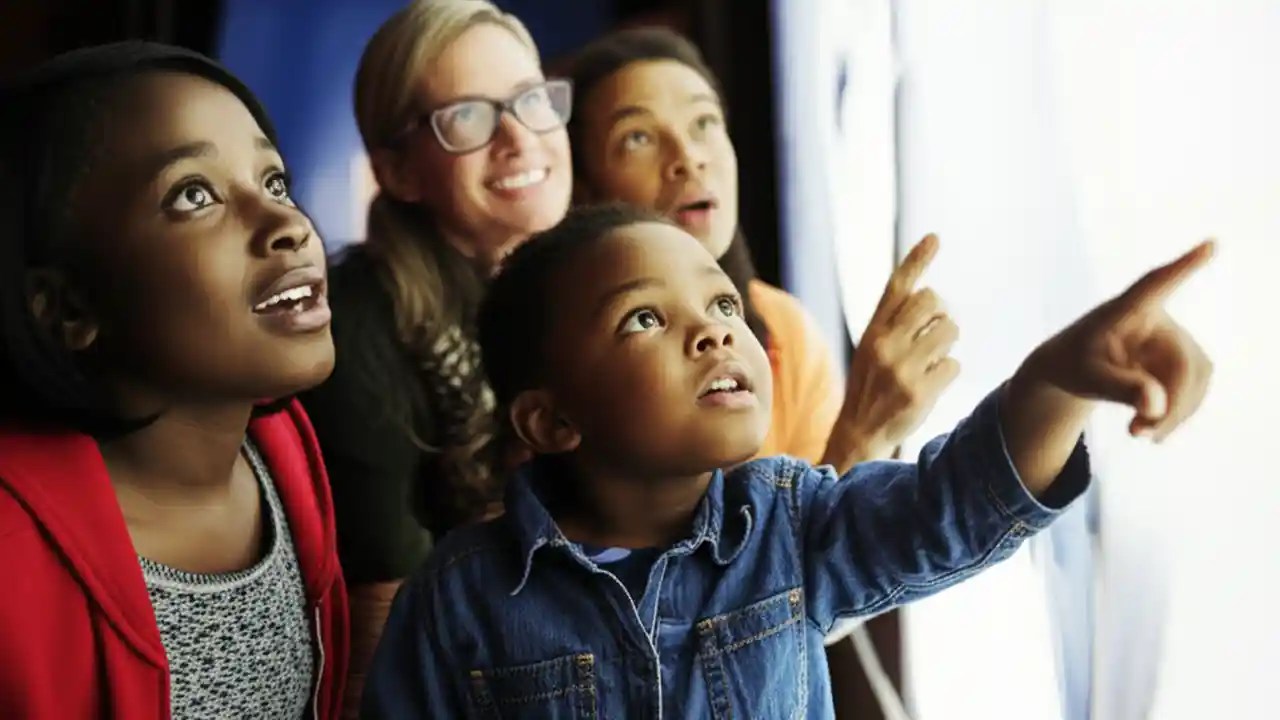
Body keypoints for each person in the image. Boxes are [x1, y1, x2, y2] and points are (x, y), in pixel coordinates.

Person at [361, 204, 1214, 718]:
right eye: (643, 320)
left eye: (721, 302)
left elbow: (956, 510)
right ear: (551, 421)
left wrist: (1059, 378)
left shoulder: (789, 519)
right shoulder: (460, 596)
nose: (715, 330)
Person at [564, 26, 944, 712]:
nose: (689, 158)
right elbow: (664, 640)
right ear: (586, 191)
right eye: (639, 139)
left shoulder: (782, 328)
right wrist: (862, 433)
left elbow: (828, 610)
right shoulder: (571, 366)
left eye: (705, 123)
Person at [0, 43, 348, 719]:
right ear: (69, 306)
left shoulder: (283, 449)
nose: (288, 226)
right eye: (194, 195)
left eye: (275, 183)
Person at [295, 1, 573, 714]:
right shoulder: (359, 319)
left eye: (531, 100)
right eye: (469, 118)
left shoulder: (593, 280)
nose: (518, 136)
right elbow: (383, 612)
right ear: (397, 170)